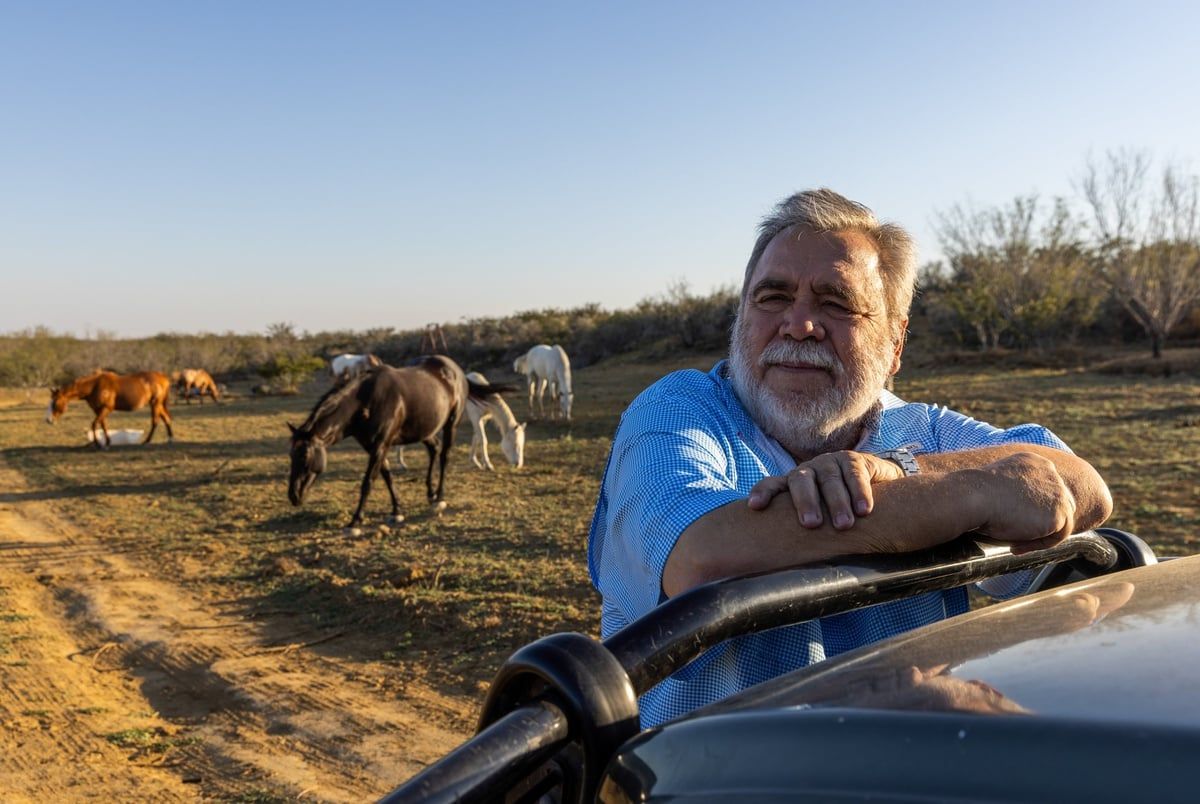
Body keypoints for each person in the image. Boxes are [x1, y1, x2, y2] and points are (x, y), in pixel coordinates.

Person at [587, 188, 1113, 727]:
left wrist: (905, 472)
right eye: (772, 297)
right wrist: (968, 491)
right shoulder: (679, 409)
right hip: (703, 777)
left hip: (895, 768)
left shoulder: (919, 429)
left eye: (835, 303)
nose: (798, 325)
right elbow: (701, 558)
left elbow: (1081, 485)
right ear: (740, 316)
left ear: (895, 344)